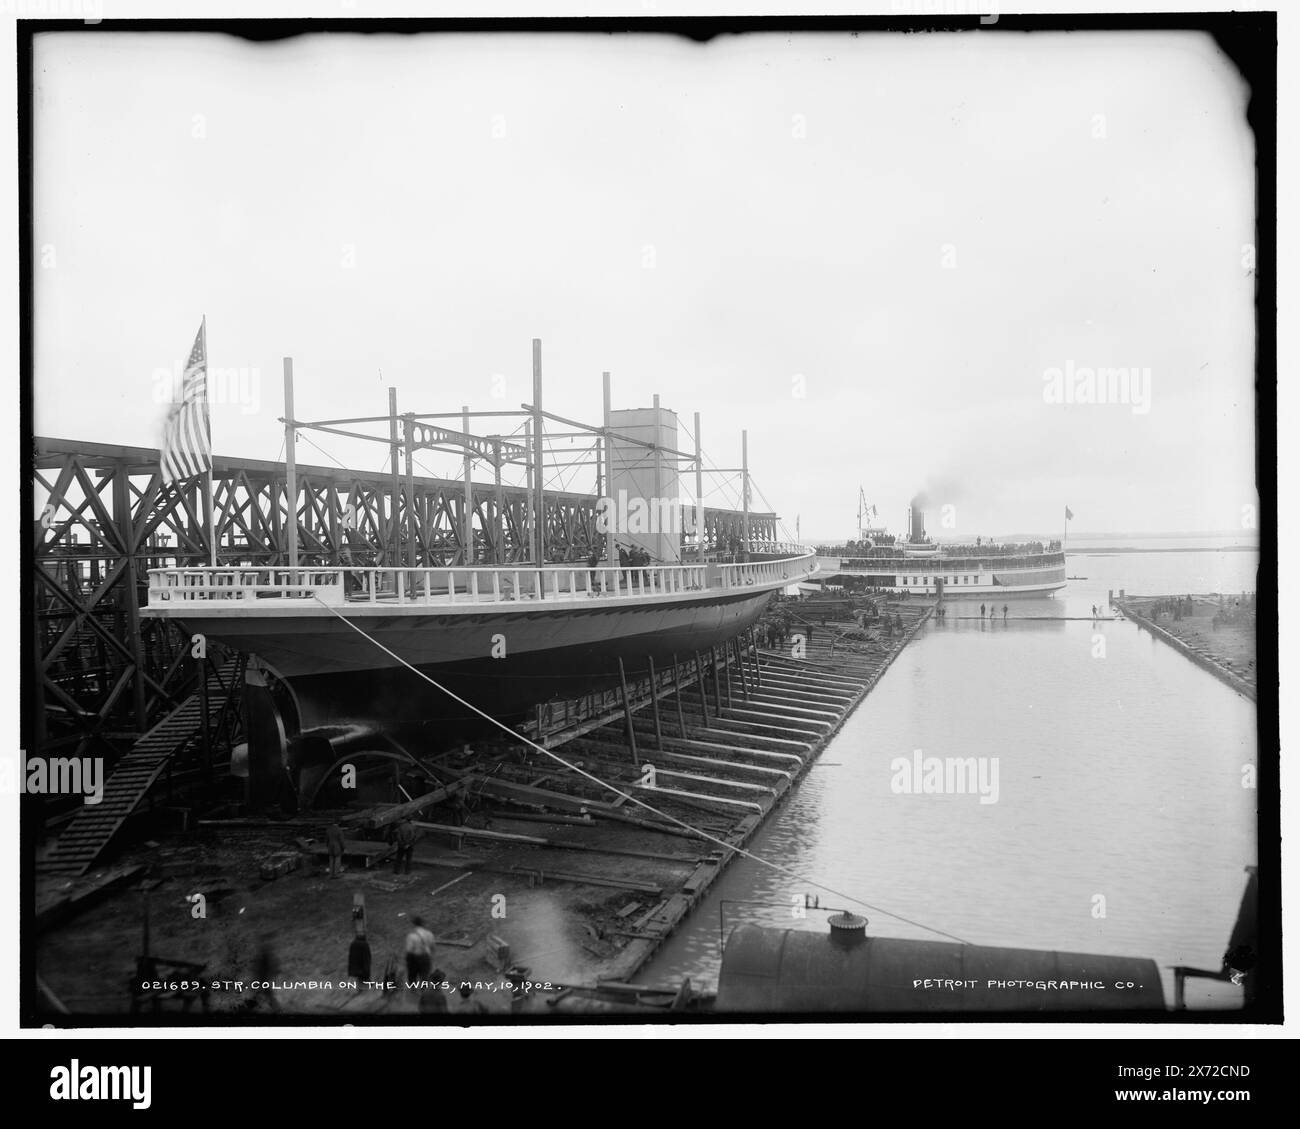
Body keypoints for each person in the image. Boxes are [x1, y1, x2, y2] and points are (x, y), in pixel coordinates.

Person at [404, 916, 436, 985]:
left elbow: (409, 950)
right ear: (423, 924)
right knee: (425, 977)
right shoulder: (429, 934)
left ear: (414, 924)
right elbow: (433, 947)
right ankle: (424, 992)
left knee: (412, 976)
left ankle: (413, 991)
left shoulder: (411, 935)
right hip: (425, 957)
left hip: (414, 958)